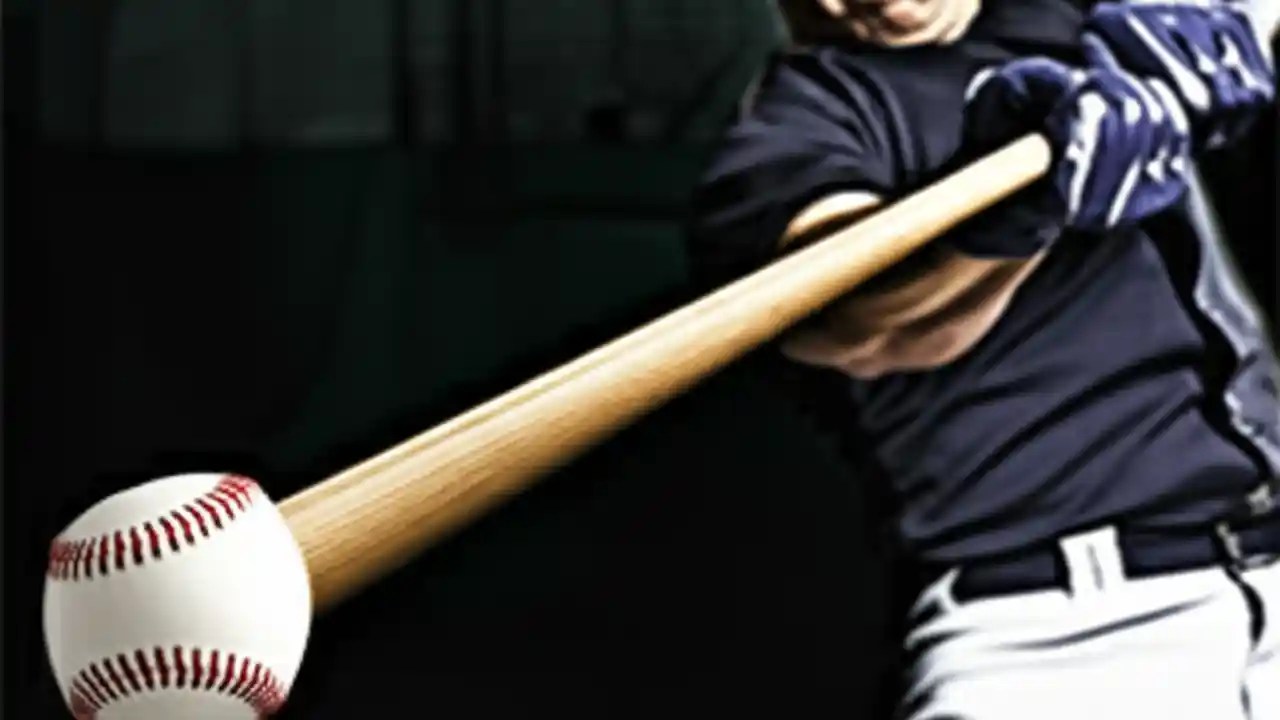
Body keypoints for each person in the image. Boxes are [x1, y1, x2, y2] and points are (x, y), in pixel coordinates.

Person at [689, 0, 1279, 717]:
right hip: (1063, 642)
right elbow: (864, 319)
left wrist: (1223, 19)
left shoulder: (1072, 14)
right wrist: (1011, 217)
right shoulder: (800, 124)